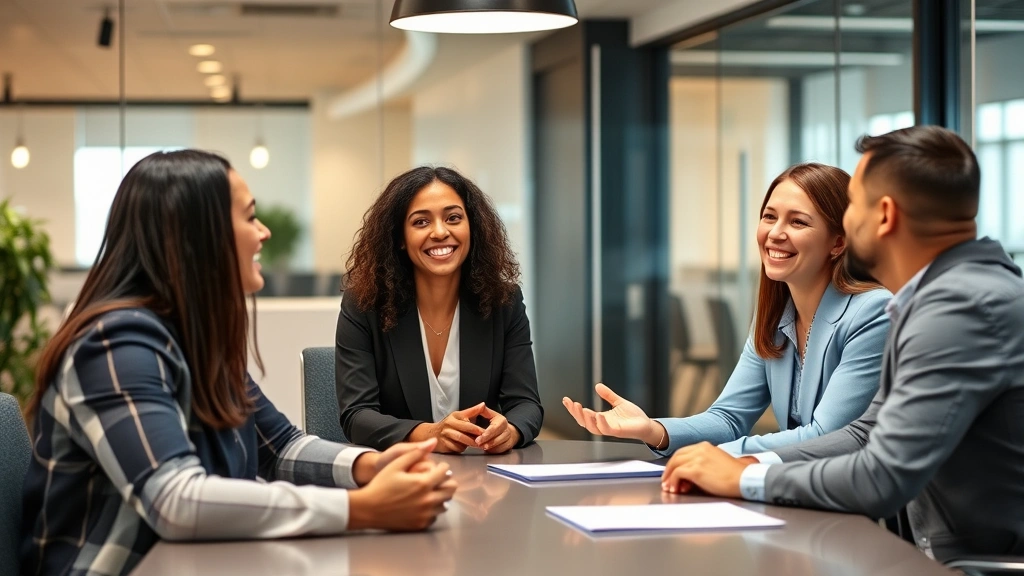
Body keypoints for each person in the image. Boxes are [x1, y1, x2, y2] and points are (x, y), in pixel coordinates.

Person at [20, 151, 457, 576]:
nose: (263, 232)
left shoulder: (195, 336)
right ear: (197, 236)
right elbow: (176, 500)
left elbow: (280, 446)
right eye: (249, 217)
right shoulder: (114, 343)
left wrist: (369, 466)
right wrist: (360, 508)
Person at [660, 126, 1024, 561]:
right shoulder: (949, 295)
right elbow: (864, 433)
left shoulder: (958, 308)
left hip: (978, 562)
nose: (847, 221)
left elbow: (881, 477)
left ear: (884, 215)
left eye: (854, 206)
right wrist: (741, 463)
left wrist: (741, 477)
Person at [564, 163, 891, 456]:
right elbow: (729, 418)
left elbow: (826, 437)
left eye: (798, 222)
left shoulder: (871, 313)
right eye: (769, 216)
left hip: (861, 509)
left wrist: (719, 458)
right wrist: (654, 430)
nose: (775, 233)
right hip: (799, 489)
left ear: (838, 243)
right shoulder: (776, 316)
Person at [337, 166, 543, 453]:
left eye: (454, 218)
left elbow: (526, 404)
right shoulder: (364, 304)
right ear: (399, 237)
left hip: (482, 479)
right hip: (399, 476)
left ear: (473, 226)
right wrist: (430, 434)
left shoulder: (503, 302)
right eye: (421, 222)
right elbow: (357, 416)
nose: (440, 232)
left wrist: (510, 430)